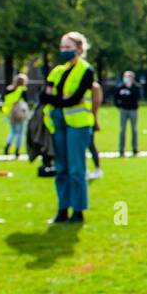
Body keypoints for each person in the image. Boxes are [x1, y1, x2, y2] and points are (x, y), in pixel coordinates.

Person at [41, 32, 95, 223]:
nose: (64, 50)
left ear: (79, 49)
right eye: (62, 47)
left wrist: (58, 99)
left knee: (76, 169)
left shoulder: (85, 70)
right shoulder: (57, 71)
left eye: (68, 47)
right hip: (58, 123)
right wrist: (61, 100)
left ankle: (78, 211)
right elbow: (44, 97)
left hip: (78, 124)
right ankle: (62, 209)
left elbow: (75, 98)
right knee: (61, 168)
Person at [2, 73, 31, 158]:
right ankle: (17, 151)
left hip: (11, 113)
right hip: (20, 113)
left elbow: (5, 101)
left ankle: (8, 145)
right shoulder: (22, 90)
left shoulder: (9, 89)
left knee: (13, 131)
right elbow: (26, 101)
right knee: (21, 133)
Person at [115, 70, 141, 157]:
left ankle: (135, 148)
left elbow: (137, 97)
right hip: (123, 110)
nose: (126, 78)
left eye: (128, 76)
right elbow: (115, 98)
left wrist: (130, 88)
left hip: (133, 110)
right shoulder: (121, 87)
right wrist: (119, 106)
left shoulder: (136, 87)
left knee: (134, 130)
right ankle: (121, 150)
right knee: (122, 130)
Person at [87, 82, 104, 180]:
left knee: (91, 145)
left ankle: (97, 169)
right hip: (86, 120)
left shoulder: (94, 87)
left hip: (88, 121)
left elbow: (95, 105)